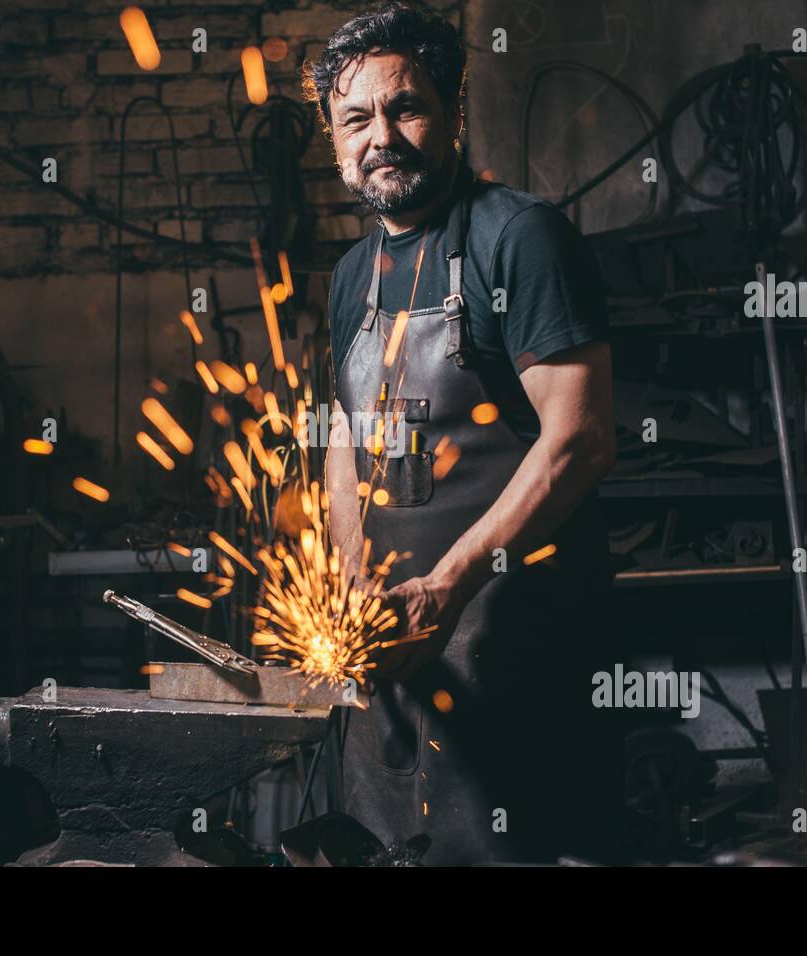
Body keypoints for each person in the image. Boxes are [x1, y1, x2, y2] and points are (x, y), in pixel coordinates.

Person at [306, 1, 624, 865]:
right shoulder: (350, 276)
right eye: (356, 118)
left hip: (518, 660)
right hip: (397, 671)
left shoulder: (520, 238)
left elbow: (581, 439)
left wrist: (445, 589)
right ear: (334, 139)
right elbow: (345, 437)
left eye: (406, 108)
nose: (383, 137)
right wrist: (349, 584)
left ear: (451, 111)